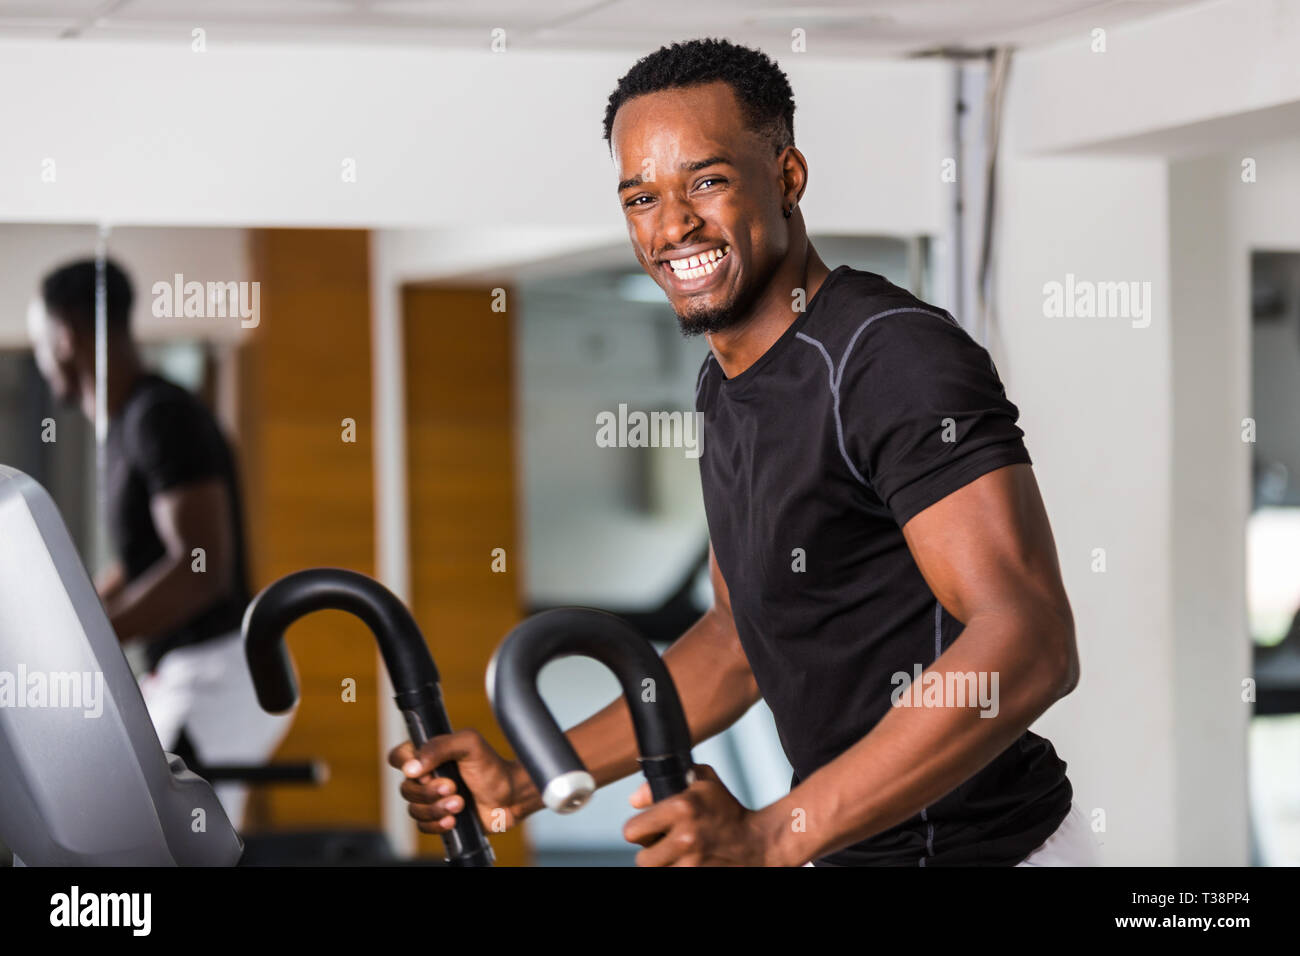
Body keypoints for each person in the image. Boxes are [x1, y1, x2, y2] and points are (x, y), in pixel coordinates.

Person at [391, 38, 1098, 866]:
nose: (673, 224)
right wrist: (529, 777)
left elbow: (1030, 637)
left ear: (788, 177)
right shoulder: (724, 387)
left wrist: (771, 832)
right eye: (641, 198)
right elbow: (735, 644)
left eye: (707, 181)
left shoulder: (888, 357)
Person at [28, 257, 290, 828]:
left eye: (40, 335)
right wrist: (71, 615)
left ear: (65, 334)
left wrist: (88, 641)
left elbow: (200, 569)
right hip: (183, 669)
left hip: (217, 673)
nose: (41, 354)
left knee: (170, 836)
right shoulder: (126, 425)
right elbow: (145, 557)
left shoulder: (160, 416)